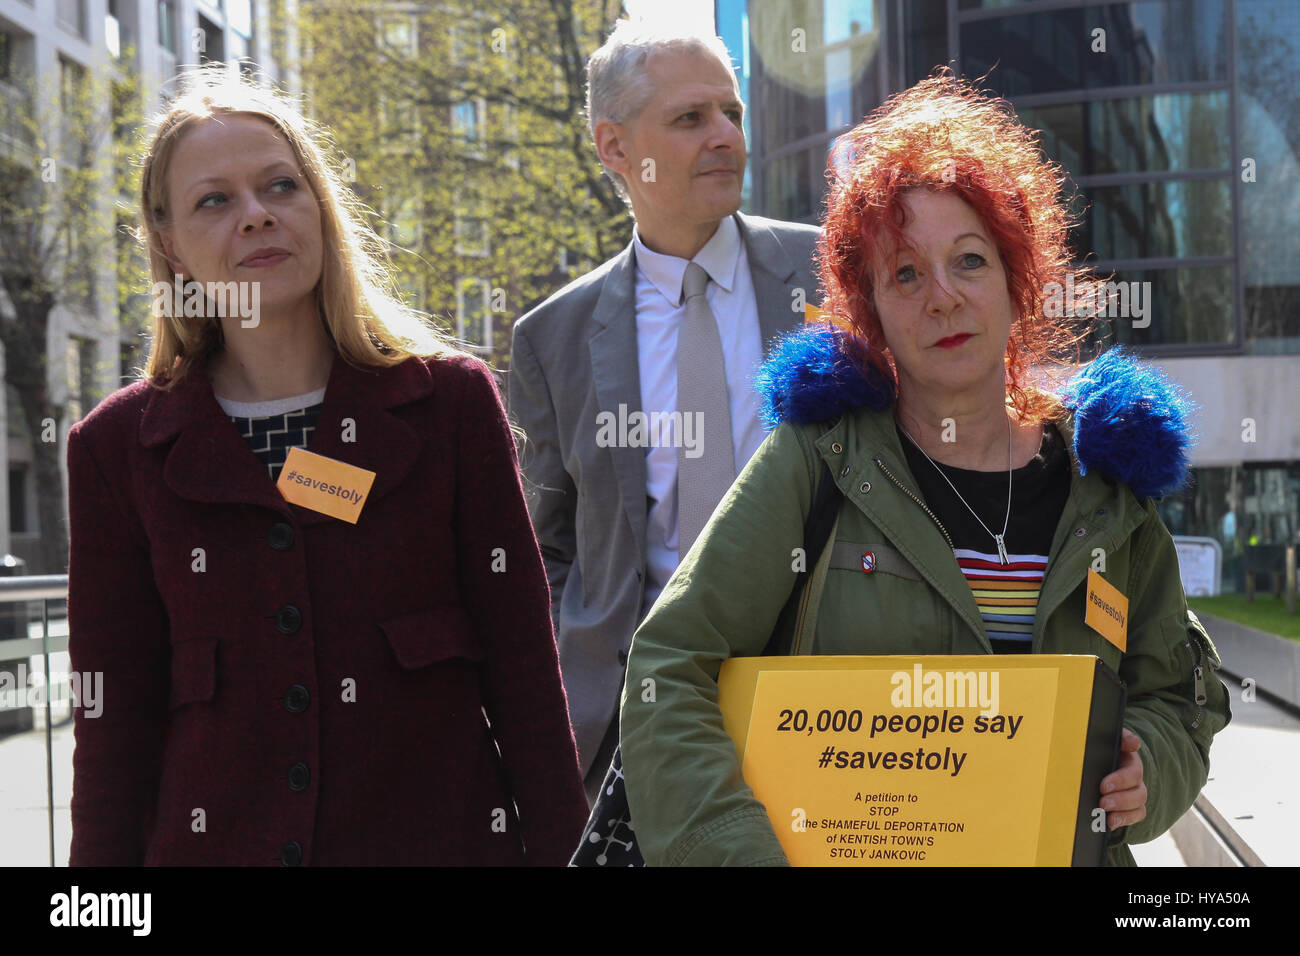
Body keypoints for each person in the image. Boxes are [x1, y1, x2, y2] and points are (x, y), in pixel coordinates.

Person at [618, 73, 1232, 866]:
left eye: (969, 261)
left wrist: (1149, 765)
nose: (941, 297)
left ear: (1019, 283)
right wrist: (739, 851)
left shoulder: (1107, 486)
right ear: (870, 312)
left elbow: (1179, 698)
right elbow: (670, 668)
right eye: (906, 274)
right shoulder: (818, 462)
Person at [65, 69, 588, 866]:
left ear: (321, 208)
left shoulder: (448, 405)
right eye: (215, 200)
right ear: (166, 242)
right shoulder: (115, 450)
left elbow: (525, 680)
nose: (257, 216)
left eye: (281, 185)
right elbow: (112, 735)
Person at [508, 19, 821, 803]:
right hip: (637, 716)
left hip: (825, 701)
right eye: (691, 119)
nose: (725, 137)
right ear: (614, 146)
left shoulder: (833, 274)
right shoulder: (554, 339)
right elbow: (546, 548)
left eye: (732, 113)